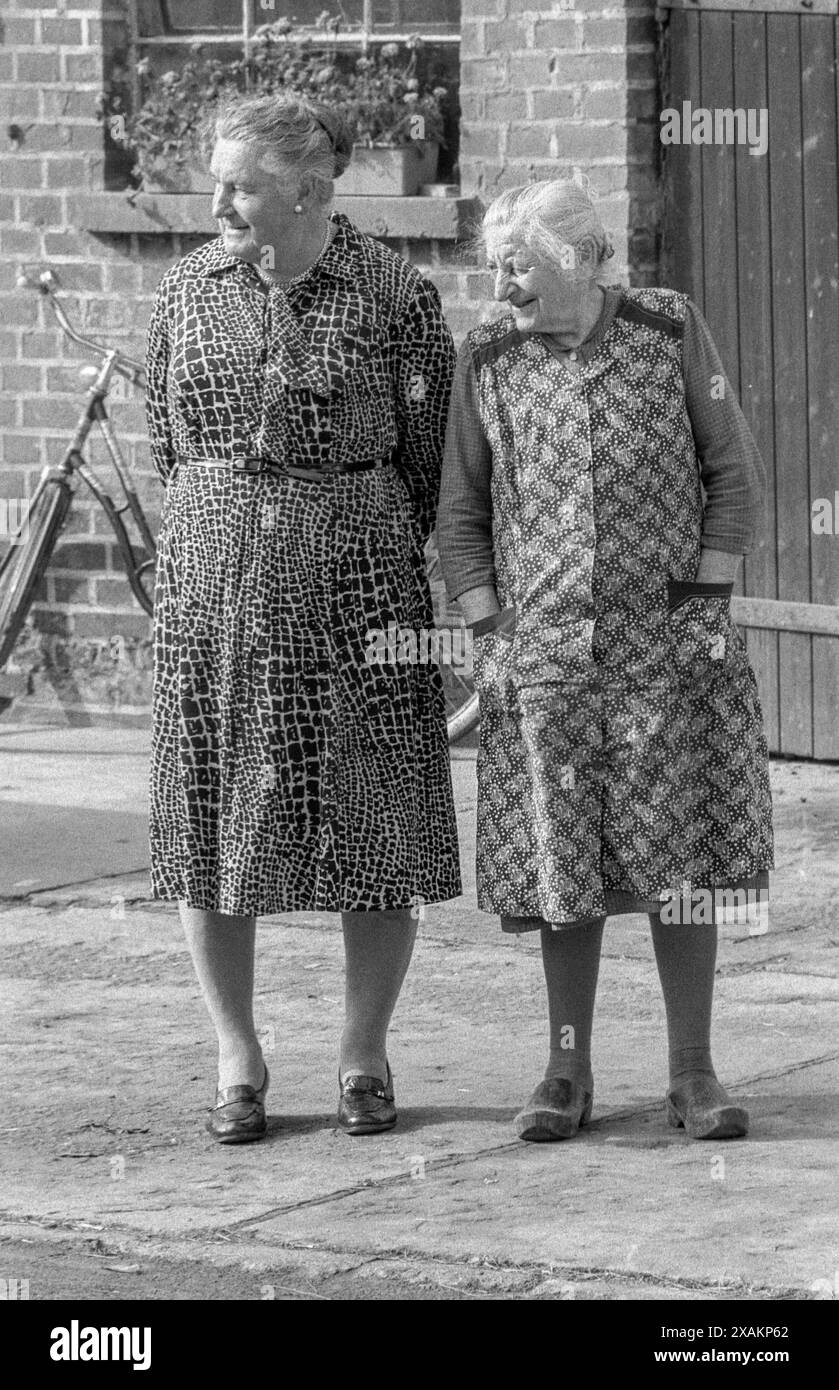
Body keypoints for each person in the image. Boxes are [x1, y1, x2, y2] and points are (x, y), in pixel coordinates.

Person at [145, 93, 461, 1143]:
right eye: (218, 179)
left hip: (361, 581)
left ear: (309, 192)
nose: (219, 201)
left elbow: (431, 459)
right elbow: (167, 440)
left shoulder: (392, 292)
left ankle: (362, 1050)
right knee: (211, 811)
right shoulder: (184, 287)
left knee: (374, 816)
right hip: (211, 584)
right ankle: (236, 1054)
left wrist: (345, 526)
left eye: (239, 183)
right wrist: (226, 526)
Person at [437, 178, 773, 1144]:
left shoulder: (668, 330)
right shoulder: (488, 358)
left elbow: (731, 479)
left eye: (519, 267)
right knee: (561, 871)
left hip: (667, 653)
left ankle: (692, 1074)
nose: (502, 289)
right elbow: (462, 515)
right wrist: (489, 630)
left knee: (682, 869)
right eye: (495, 267)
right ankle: (564, 1070)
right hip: (542, 657)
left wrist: (701, 610)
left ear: (580, 261)